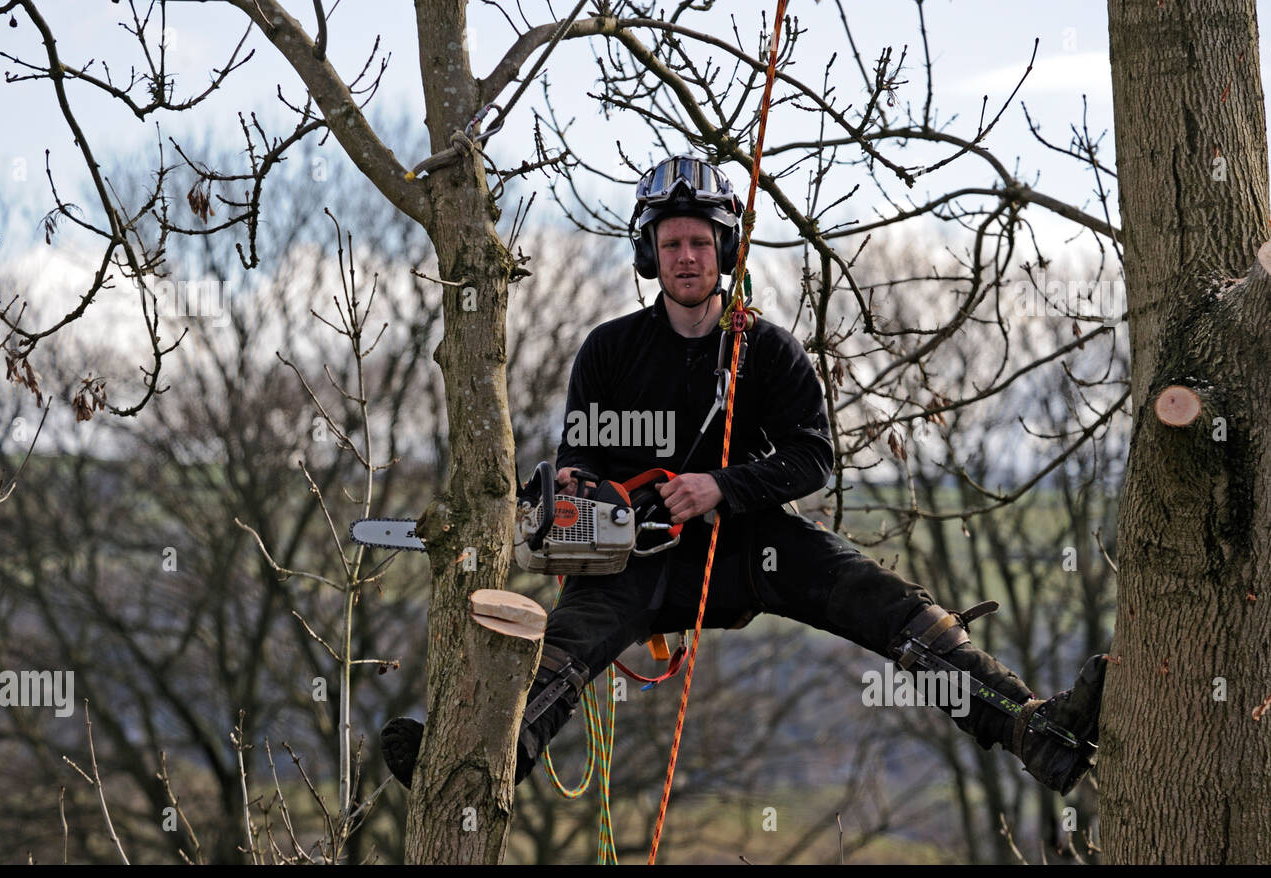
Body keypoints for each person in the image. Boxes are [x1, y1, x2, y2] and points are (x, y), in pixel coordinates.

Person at [382, 154, 1106, 797]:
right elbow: (580, 456)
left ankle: (1031, 728)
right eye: (672, 244)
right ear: (650, 254)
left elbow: (813, 454)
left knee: (887, 606)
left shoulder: (764, 349)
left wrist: (722, 488)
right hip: (633, 554)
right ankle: (474, 760)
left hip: (745, 547)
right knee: (566, 646)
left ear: (723, 247)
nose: (687, 256)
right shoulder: (609, 351)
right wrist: (577, 492)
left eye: (700, 242)